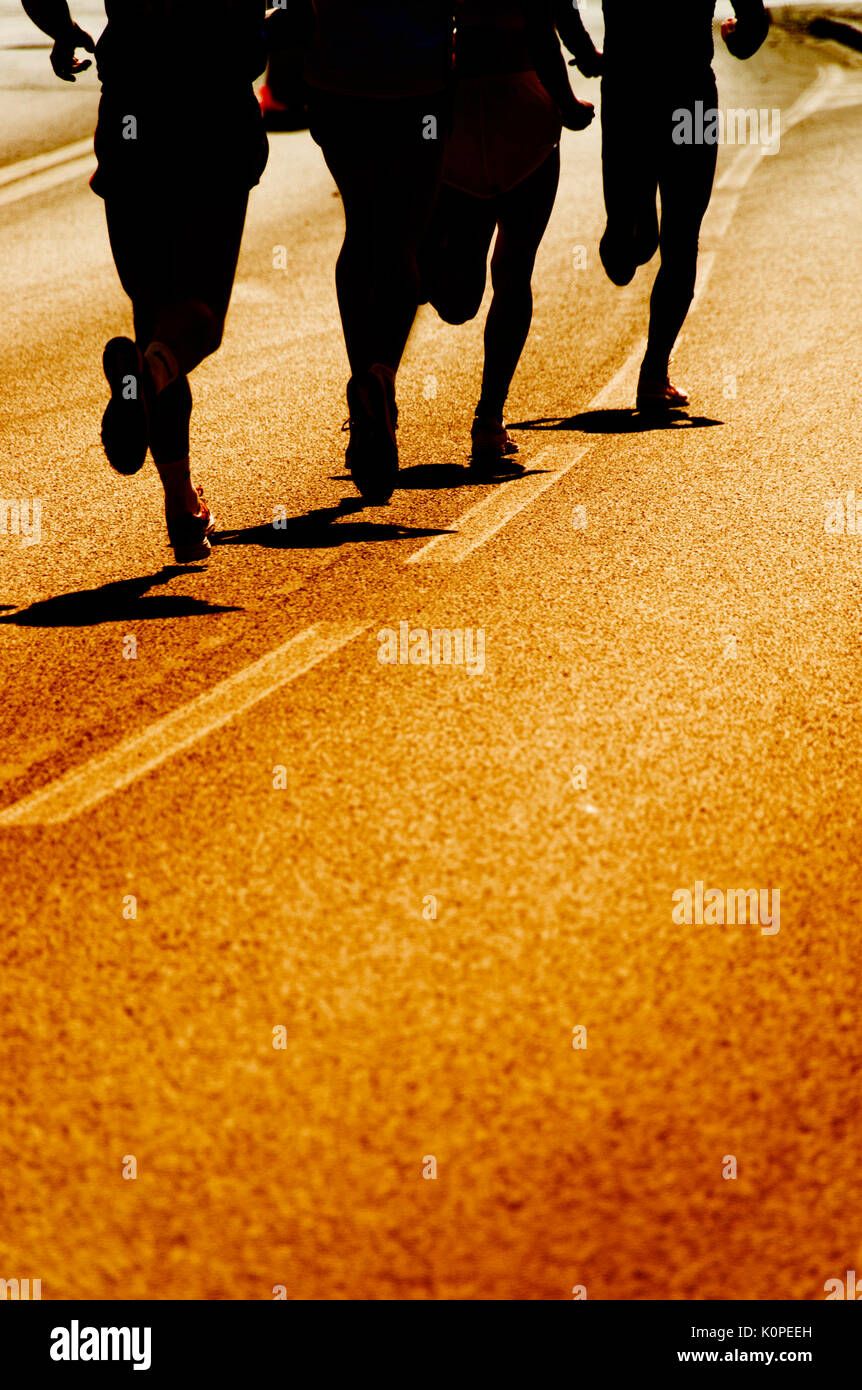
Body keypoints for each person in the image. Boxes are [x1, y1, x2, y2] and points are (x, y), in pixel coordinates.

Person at [21, 1, 271, 561]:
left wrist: (63, 31)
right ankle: (152, 386)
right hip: (215, 111)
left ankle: (181, 503)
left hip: (133, 111)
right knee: (195, 321)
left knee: (156, 313)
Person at [559, 0, 770, 411]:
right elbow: (753, 21)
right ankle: (654, 374)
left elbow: (558, 2)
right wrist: (737, 36)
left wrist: (584, 52)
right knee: (682, 233)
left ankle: (628, 228)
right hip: (689, 93)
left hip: (627, 91)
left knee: (631, 249)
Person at [421, 0, 594, 469]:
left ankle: (426, 271)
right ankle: (489, 421)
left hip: (459, 109)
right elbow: (547, 22)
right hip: (524, 109)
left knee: (463, 299)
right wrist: (568, 99)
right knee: (513, 274)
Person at [303, 2, 457, 504]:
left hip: (337, 81)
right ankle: (380, 381)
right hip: (418, 83)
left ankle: (365, 386)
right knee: (401, 241)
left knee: (362, 227)